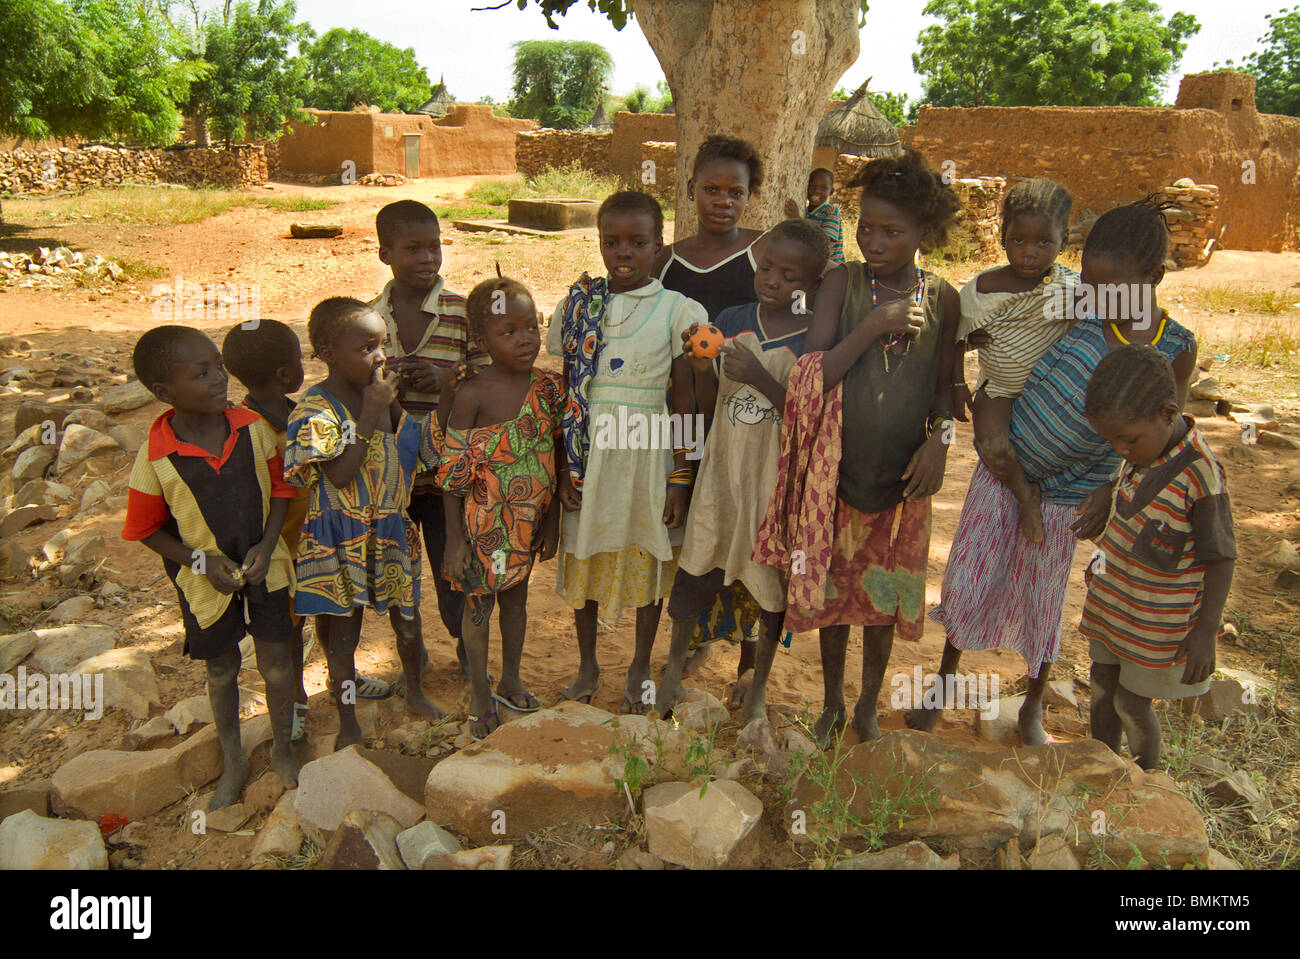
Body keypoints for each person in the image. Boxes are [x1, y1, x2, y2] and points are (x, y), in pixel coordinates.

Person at [910, 197, 1199, 744]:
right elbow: (1007, 339)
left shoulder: (1175, 348)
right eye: (1085, 282)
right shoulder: (1076, 308)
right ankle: (944, 683)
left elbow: (1164, 439)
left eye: (1105, 286)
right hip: (1006, 470)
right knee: (972, 577)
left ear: (1154, 277)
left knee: (1046, 597)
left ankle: (1033, 705)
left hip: (1076, 491)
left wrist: (1111, 490)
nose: (1090, 295)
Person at [790, 148, 962, 744]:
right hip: (838, 471)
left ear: (924, 233)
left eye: (893, 231)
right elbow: (815, 371)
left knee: (883, 601)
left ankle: (867, 706)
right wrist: (872, 326)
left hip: (902, 481)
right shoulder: (842, 282)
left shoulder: (944, 298)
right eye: (866, 227)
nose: (875, 240)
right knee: (837, 598)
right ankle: (833, 701)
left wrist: (940, 443)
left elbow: (946, 391)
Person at [656, 219, 830, 725]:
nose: (772, 280)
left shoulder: (815, 339)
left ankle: (756, 687)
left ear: (812, 285)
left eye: (789, 275)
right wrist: (700, 366)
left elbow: (812, 420)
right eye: (767, 268)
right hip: (721, 476)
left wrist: (758, 376)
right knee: (696, 571)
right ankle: (672, 669)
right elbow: (709, 405)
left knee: (768, 589)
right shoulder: (732, 317)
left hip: (774, 488)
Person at [122, 325, 298, 808]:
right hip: (203, 581)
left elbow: (282, 488)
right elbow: (144, 530)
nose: (219, 378)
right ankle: (233, 760)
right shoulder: (155, 457)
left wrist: (267, 543)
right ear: (165, 393)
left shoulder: (252, 428)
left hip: (268, 567)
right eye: (202, 374)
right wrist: (202, 560)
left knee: (278, 667)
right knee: (221, 670)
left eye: (218, 366)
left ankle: (283, 748)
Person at [548, 190, 707, 713]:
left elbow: (685, 401)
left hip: (647, 458)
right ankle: (588, 663)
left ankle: (640, 663)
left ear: (660, 249)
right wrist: (563, 466)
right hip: (590, 456)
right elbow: (568, 388)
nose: (623, 254)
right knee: (586, 550)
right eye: (611, 242)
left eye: (638, 243)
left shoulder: (679, 311)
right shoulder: (579, 305)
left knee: (644, 556)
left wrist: (681, 477)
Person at [285, 297, 446, 751]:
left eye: (382, 345)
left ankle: (413, 689)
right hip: (340, 538)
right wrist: (373, 411)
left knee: (408, 623)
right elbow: (339, 473)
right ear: (327, 353)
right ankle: (348, 719)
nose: (379, 357)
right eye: (366, 348)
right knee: (344, 636)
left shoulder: (381, 395)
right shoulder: (314, 409)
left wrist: (443, 396)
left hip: (391, 529)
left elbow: (411, 442)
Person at [1081, 346, 1234, 770]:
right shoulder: (1142, 447)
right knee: (1101, 684)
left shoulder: (1201, 474)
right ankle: (1104, 766)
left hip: (1159, 623)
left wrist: (1206, 631)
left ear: (1169, 414)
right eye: (1110, 440)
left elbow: (1221, 558)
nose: (1120, 450)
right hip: (1117, 603)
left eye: (1128, 440)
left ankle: (1146, 780)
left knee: (1132, 702)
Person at [656, 136, 771, 684]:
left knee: (744, 521)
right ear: (690, 189)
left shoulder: (764, 255)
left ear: (751, 197)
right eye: (711, 189)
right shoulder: (665, 262)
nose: (722, 200)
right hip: (686, 412)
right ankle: (692, 640)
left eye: (735, 192)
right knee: (696, 527)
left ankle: (748, 657)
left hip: (749, 418)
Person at [432, 277, 563, 739]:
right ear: (481, 341)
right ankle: (479, 696)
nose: (525, 339)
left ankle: (511, 679)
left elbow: (559, 453)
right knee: (477, 608)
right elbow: (450, 474)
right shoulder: (474, 395)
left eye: (531, 326)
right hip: (481, 527)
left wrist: (553, 520)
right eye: (509, 331)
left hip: (527, 525)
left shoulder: (549, 389)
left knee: (518, 602)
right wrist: (453, 538)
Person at [369, 199, 487, 690]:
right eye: (411, 248)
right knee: (398, 571)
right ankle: (412, 662)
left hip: (447, 475)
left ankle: (471, 659)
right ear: (384, 253)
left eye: (434, 246)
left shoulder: (463, 313)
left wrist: (445, 379)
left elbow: (491, 379)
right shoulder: (368, 320)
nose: (427, 258)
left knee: (453, 569)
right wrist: (380, 386)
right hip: (389, 475)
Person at [952, 178, 1078, 544]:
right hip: (1002, 389)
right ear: (1003, 238)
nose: (1029, 253)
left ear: (1063, 243)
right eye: (1018, 241)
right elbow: (955, 338)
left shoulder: (1067, 287)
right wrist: (958, 384)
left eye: (1043, 243)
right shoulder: (983, 290)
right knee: (991, 444)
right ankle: (1025, 497)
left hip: (1052, 391)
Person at [785, 168, 844, 266]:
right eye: (812, 186)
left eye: (823, 188)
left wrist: (797, 219)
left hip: (830, 268)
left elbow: (823, 244)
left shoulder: (831, 211)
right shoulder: (806, 212)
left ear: (831, 191)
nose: (817, 191)